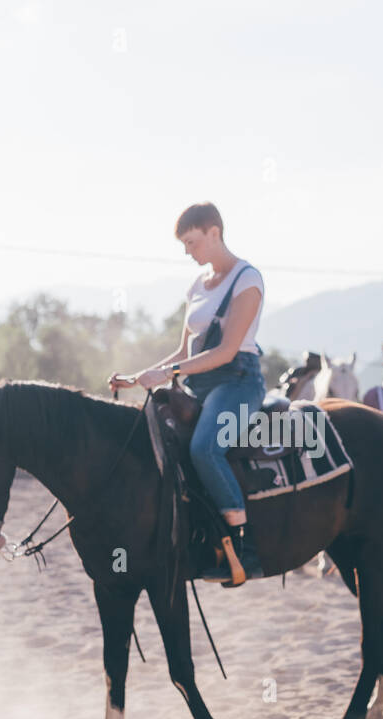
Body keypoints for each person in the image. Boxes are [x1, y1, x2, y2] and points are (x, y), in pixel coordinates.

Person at [108, 202, 266, 584]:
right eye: (184, 244)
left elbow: (226, 351)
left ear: (214, 232)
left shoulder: (247, 279)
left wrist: (168, 373)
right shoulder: (197, 285)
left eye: (192, 242)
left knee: (204, 448)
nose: (187, 252)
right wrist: (138, 378)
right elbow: (184, 352)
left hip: (237, 381)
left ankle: (243, 545)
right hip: (197, 381)